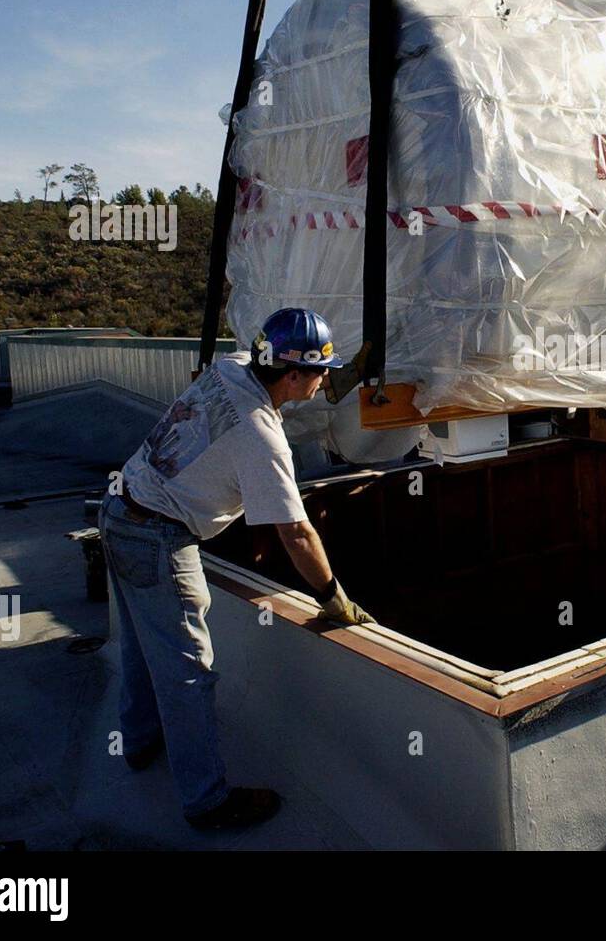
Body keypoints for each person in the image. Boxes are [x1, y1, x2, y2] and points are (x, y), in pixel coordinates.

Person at [98, 307, 372, 831]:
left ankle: (137, 742)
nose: (326, 379)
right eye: (321, 371)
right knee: (187, 676)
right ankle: (206, 802)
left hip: (118, 509)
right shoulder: (260, 437)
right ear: (292, 375)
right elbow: (295, 533)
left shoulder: (232, 366)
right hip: (158, 537)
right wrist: (333, 596)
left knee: (140, 646)